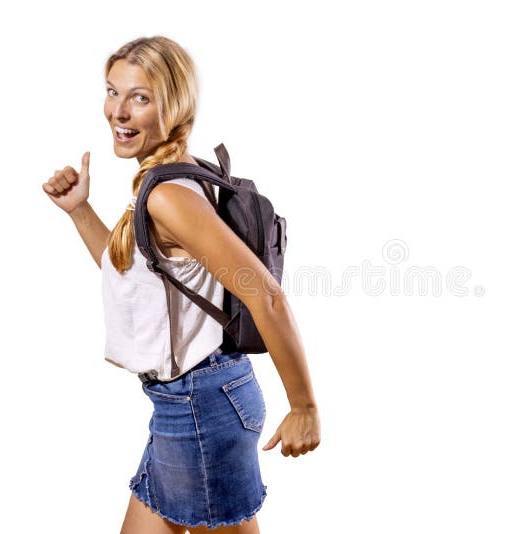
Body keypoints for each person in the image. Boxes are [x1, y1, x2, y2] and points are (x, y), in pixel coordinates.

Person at [41, 35, 321, 534]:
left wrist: (304, 406)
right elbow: (132, 273)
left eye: (139, 98)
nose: (118, 111)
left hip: (201, 406)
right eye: (112, 92)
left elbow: (264, 294)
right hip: (184, 403)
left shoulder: (168, 196)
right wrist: (80, 210)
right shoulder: (167, 179)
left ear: (172, 106)